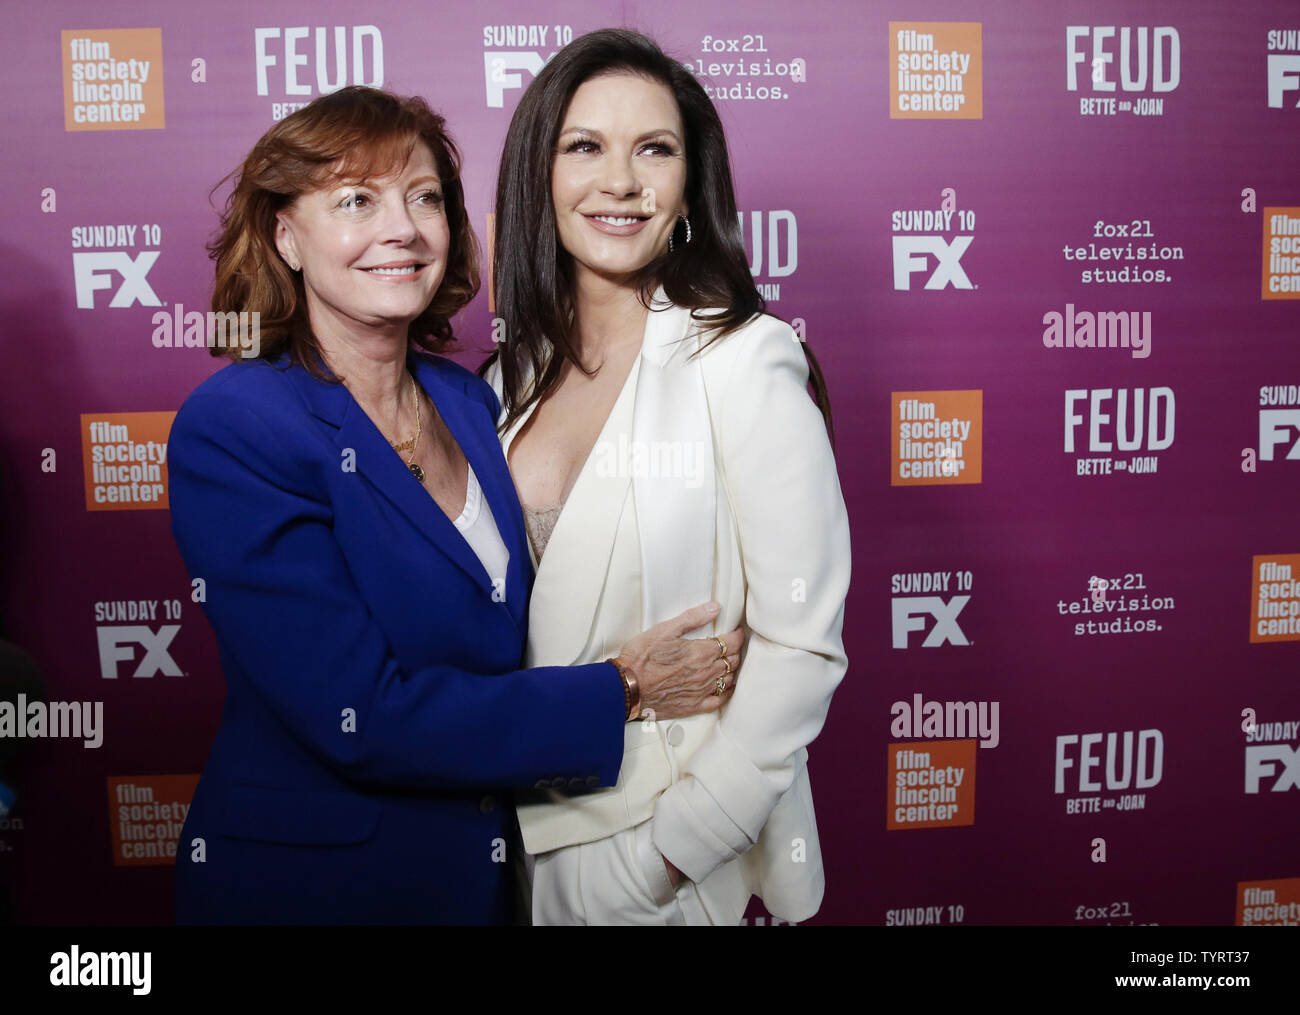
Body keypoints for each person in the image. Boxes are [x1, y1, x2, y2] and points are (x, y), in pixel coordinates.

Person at [167, 85, 743, 925]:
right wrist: (620, 688)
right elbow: (358, 713)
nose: (401, 228)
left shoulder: (473, 401)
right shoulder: (238, 428)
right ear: (286, 235)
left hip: (488, 880)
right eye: (355, 200)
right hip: (316, 894)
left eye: (425, 197)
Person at [481, 29, 851, 926]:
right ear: (541, 176)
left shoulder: (742, 356)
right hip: (510, 843)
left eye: (655, 148)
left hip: (658, 851)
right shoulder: (506, 381)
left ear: (690, 185)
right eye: (585, 147)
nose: (620, 180)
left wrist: (675, 848)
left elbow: (802, 644)